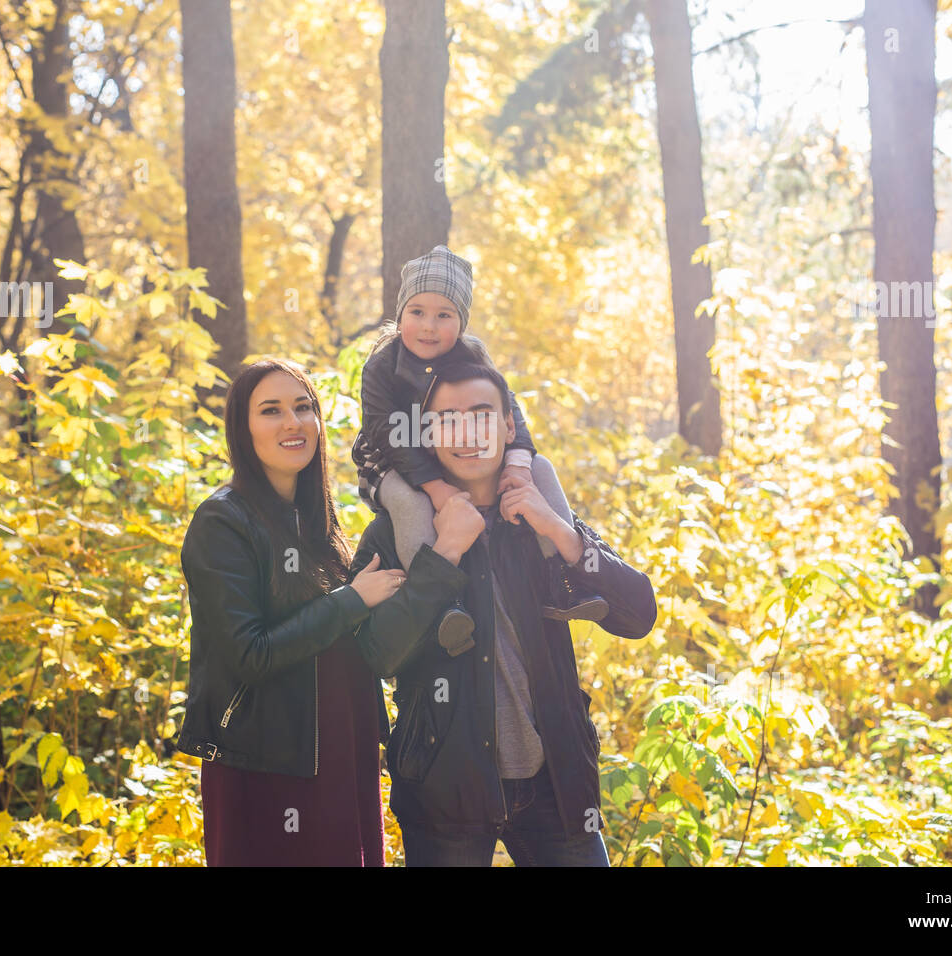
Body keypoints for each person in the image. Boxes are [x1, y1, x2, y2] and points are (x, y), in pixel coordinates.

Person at [348, 361, 659, 866]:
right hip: (444, 790)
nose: (466, 432)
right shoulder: (395, 531)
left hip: (557, 783)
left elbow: (638, 614)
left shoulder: (543, 520)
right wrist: (442, 557)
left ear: (510, 427)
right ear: (427, 434)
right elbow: (374, 655)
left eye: (482, 415)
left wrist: (562, 532)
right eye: (447, 418)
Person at [175, 357, 406, 866]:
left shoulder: (319, 522)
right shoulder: (223, 521)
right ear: (243, 427)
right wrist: (351, 601)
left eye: (303, 407)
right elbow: (248, 655)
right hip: (268, 762)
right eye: (271, 410)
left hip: (342, 750)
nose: (292, 422)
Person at [350, 245, 609, 658]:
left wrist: (520, 463)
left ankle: (561, 580)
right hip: (390, 460)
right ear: (400, 316)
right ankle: (444, 608)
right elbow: (387, 433)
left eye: (444, 315)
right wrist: (435, 488)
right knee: (410, 503)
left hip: (447, 451)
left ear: (461, 322)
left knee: (541, 468)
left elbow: (512, 415)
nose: (429, 326)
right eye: (417, 312)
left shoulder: (472, 355)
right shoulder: (382, 365)